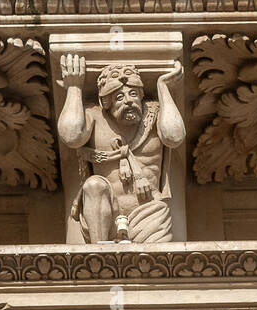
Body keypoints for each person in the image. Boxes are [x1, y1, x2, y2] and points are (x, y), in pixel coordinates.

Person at [56, 56, 185, 243]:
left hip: (149, 214)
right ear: (106, 103)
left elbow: (174, 137)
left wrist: (162, 87)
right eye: (119, 97)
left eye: (133, 94)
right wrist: (74, 88)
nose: (128, 101)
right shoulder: (94, 116)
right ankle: (98, 251)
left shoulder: (154, 113)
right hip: (106, 219)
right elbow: (71, 135)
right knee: (93, 184)